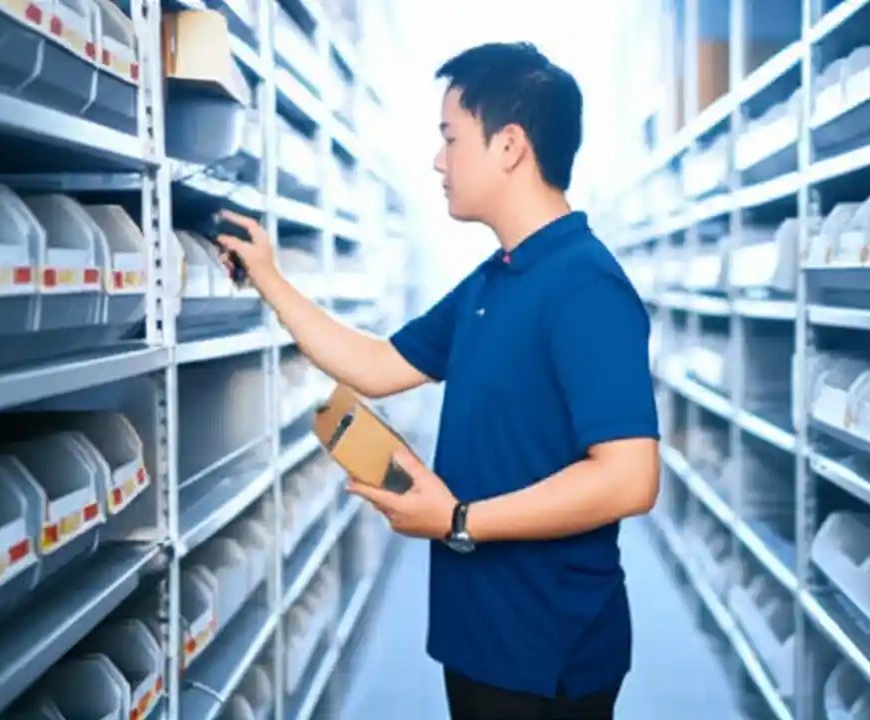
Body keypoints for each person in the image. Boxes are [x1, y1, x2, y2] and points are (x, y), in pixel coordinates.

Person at [216, 41, 660, 720]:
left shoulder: (584, 284)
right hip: (480, 635)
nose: (438, 160)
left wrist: (456, 520)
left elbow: (630, 477)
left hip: (547, 653)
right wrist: (270, 278)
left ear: (509, 145)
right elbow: (375, 364)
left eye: (451, 138)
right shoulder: (494, 279)